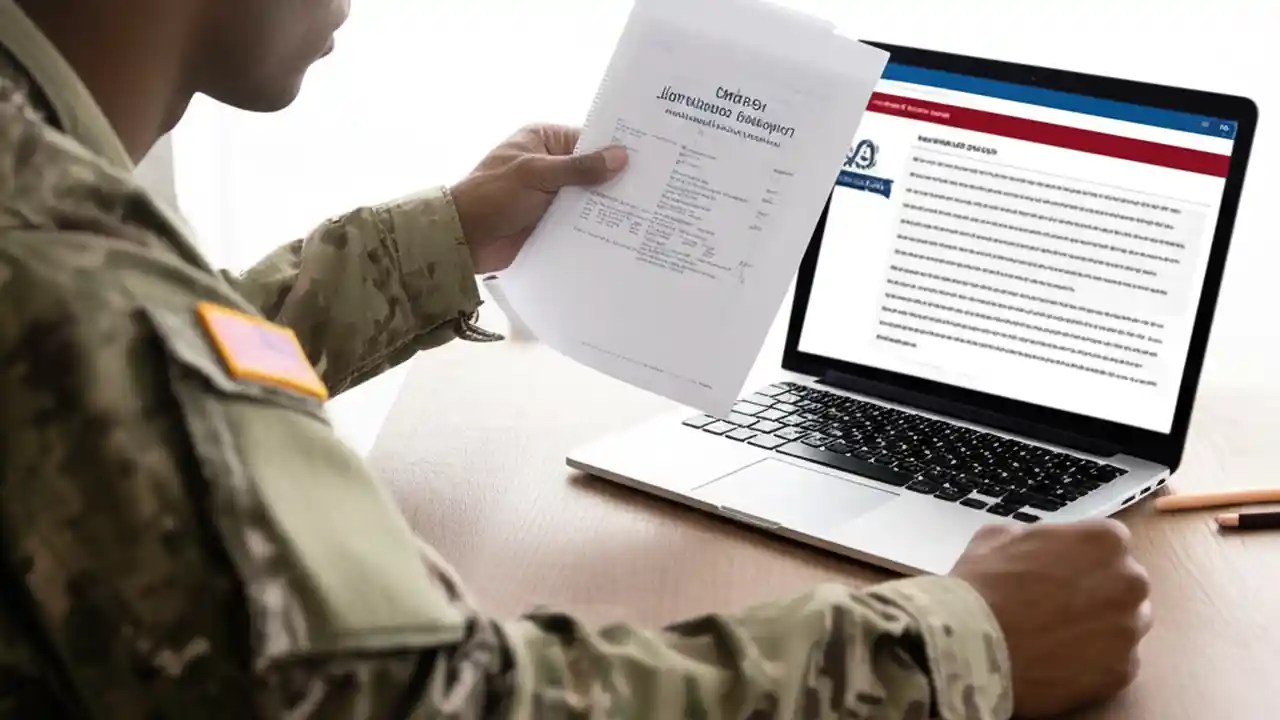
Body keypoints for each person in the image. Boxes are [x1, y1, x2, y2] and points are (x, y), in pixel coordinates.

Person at [0, 0, 1153, 717]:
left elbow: (97, 405)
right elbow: (429, 704)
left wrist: (437, 243)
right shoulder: (75, 275)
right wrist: (962, 648)